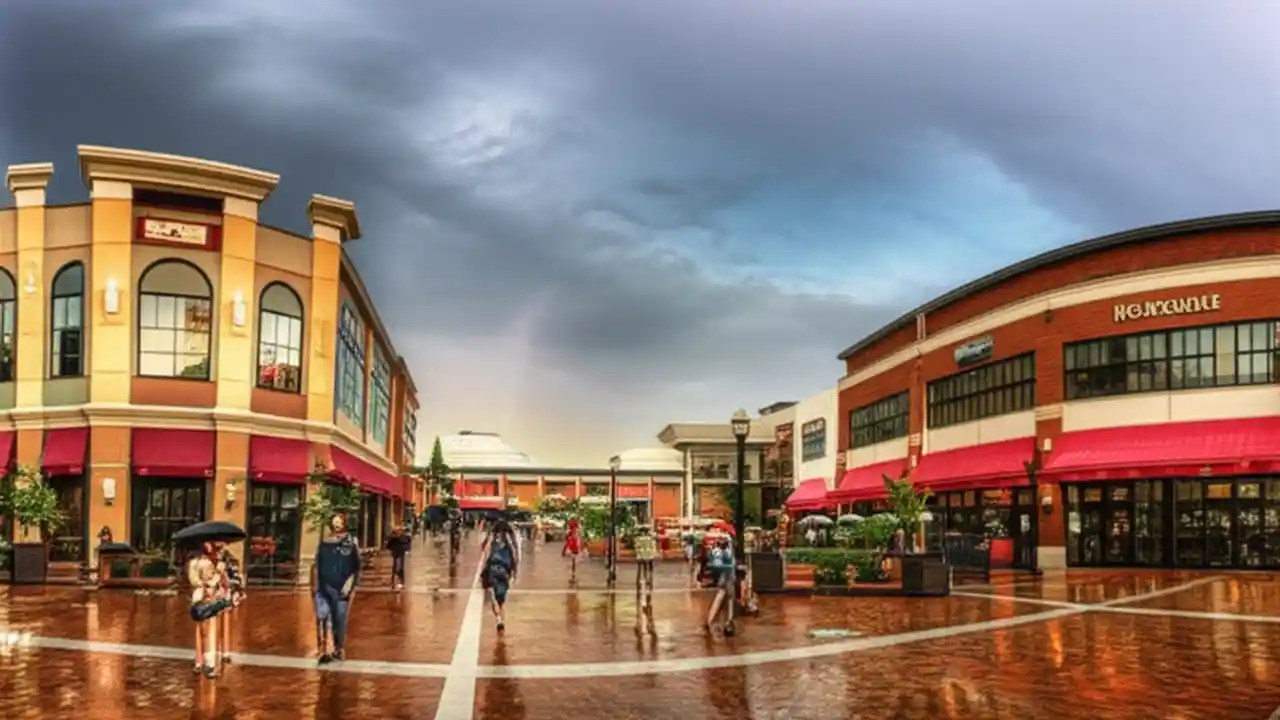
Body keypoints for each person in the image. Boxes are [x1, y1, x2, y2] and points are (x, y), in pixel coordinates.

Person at [312, 512, 361, 664]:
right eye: (334, 521)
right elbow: (317, 564)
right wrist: (315, 585)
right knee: (322, 617)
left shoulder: (351, 542)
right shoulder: (325, 543)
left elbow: (357, 567)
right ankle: (324, 649)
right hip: (324, 586)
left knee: (339, 619)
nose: (337, 524)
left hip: (342, 590)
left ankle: (338, 649)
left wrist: (350, 584)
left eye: (339, 521)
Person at [187, 541, 230, 678]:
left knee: (211, 630)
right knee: (201, 630)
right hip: (201, 598)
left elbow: (223, 582)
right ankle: (200, 661)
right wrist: (204, 586)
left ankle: (209, 663)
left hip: (213, 599)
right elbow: (193, 580)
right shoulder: (195, 563)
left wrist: (219, 585)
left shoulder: (219, 563)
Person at [480, 520, 520, 632]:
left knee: (493, 596)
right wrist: (515, 572)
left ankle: (498, 619)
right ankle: (502, 621)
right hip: (505, 571)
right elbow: (515, 556)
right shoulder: (509, 540)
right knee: (502, 600)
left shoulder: (492, 538)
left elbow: (485, 552)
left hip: (493, 569)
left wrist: (484, 569)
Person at [217, 546, 246, 670]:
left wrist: (229, 584)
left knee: (225, 622)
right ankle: (217, 651)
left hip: (224, 593)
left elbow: (235, 579)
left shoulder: (228, 564)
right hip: (215, 594)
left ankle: (225, 651)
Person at [705, 536, 736, 635]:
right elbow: (730, 565)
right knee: (729, 599)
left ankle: (710, 619)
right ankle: (728, 621)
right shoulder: (727, 553)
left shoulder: (718, 552)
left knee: (720, 598)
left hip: (724, 578)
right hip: (728, 578)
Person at [632, 524, 658, 636]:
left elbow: (637, 548)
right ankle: (649, 581)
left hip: (641, 556)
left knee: (640, 569)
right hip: (649, 556)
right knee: (649, 570)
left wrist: (638, 553)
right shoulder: (650, 538)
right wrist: (653, 553)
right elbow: (653, 548)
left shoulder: (638, 539)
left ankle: (639, 581)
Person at [386, 525, 412, 591]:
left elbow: (408, 543)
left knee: (400, 568)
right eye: (397, 531)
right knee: (396, 568)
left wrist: (408, 550)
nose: (399, 532)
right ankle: (395, 583)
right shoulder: (393, 538)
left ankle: (400, 583)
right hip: (396, 554)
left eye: (400, 530)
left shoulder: (404, 537)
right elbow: (388, 543)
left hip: (401, 554)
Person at [562, 517, 584, 584]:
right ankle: (573, 575)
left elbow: (567, 539)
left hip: (573, 547)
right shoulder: (574, 530)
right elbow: (580, 538)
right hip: (573, 547)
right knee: (573, 562)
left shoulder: (572, 531)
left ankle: (573, 575)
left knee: (573, 562)